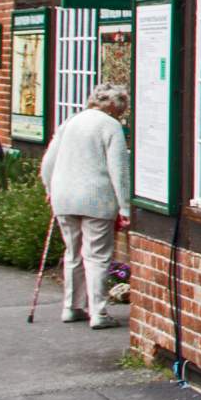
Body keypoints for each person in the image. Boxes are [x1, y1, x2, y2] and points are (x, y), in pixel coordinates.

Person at [39, 83, 131, 329]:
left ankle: (72, 307)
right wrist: (125, 207)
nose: (123, 112)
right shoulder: (111, 126)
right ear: (115, 105)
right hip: (97, 199)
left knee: (73, 253)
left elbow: (48, 161)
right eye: (123, 107)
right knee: (97, 256)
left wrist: (50, 189)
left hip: (64, 197)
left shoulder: (70, 122)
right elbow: (119, 171)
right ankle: (99, 312)